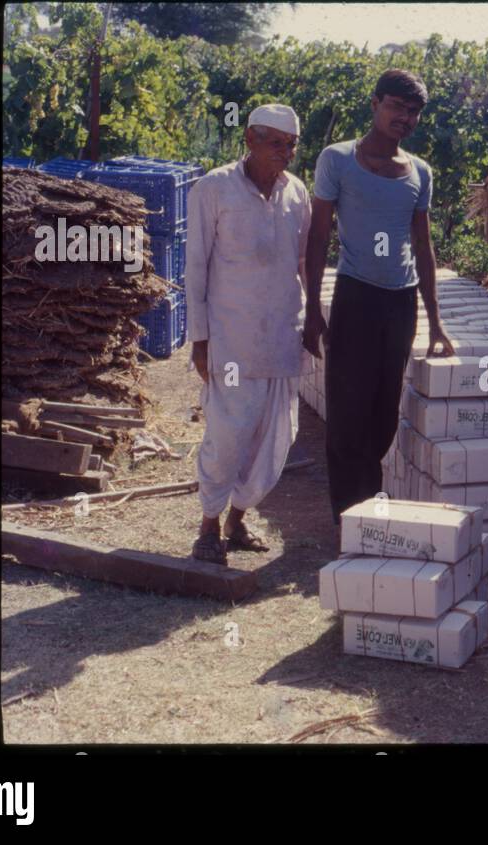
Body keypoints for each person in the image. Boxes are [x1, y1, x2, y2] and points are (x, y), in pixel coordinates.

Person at [303, 70, 454, 524]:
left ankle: (368, 510)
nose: (404, 118)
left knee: (384, 413)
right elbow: (318, 237)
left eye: (413, 112)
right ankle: (349, 520)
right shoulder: (338, 160)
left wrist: (437, 322)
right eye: (396, 107)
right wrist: (312, 308)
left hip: (400, 303)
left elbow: (424, 249)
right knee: (347, 411)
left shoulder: (419, 172)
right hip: (355, 297)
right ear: (374, 104)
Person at [185, 104, 312, 566]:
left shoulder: (297, 194)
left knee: (276, 434)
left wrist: (312, 321)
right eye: (276, 142)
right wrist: (199, 340)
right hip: (231, 339)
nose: (286, 152)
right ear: (250, 141)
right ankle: (208, 526)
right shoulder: (214, 188)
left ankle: (238, 519)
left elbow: (301, 265)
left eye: (292, 144)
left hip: (281, 334)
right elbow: (195, 267)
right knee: (228, 433)